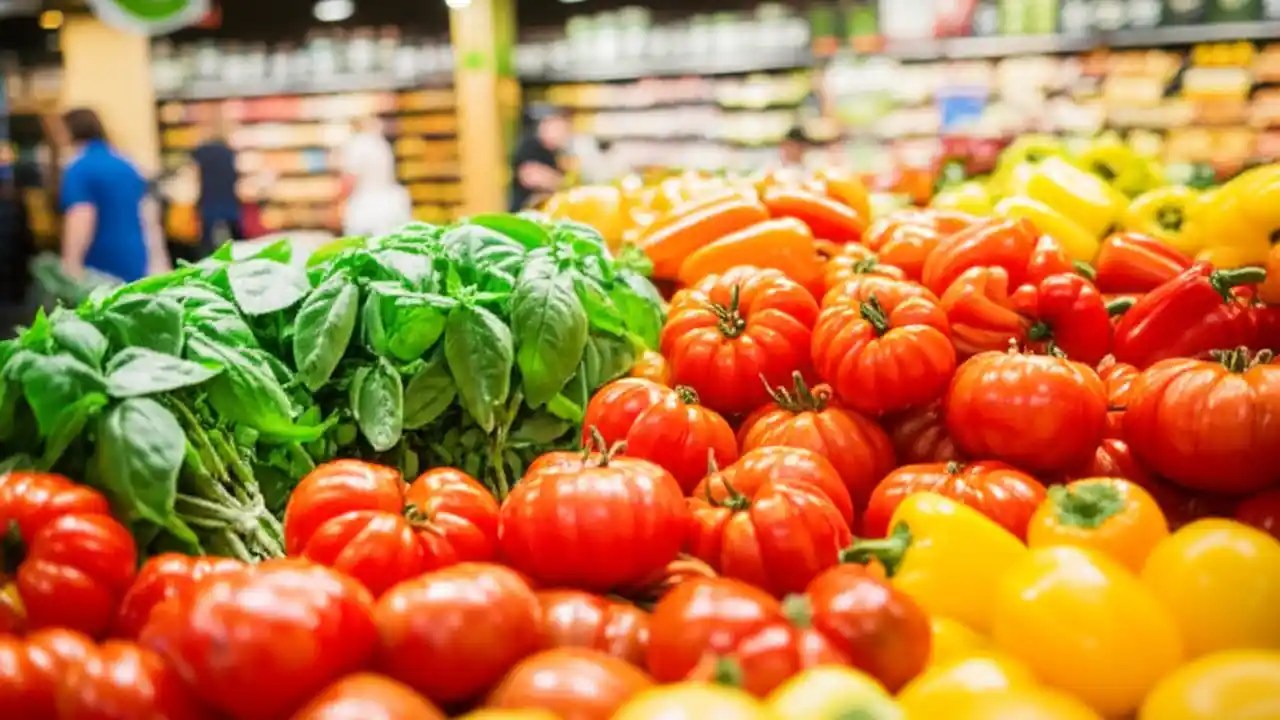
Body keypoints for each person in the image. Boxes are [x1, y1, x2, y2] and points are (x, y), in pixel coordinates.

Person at [59, 108, 169, 283]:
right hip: (135, 256)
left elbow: (81, 215)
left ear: (69, 131)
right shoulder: (126, 164)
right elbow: (148, 214)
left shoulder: (80, 168)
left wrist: (71, 264)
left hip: (101, 262)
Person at [339, 115, 411, 238]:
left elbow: (350, 179)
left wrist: (340, 201)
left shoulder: (357, 144)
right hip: (390, 204)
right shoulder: (381, 143)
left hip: (366, 207)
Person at [190, 115, 243, 255]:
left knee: (206, 240)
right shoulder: (229, 152)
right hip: (228, 198)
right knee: (236, 237)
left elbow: (193, 175)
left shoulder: (201, 152)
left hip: (208, 198)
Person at [509, 104, 570, 211]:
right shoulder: (531, 145)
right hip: (524, 211)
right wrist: (561, 182)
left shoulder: (555, 152)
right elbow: (531, 177)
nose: (563, 134)